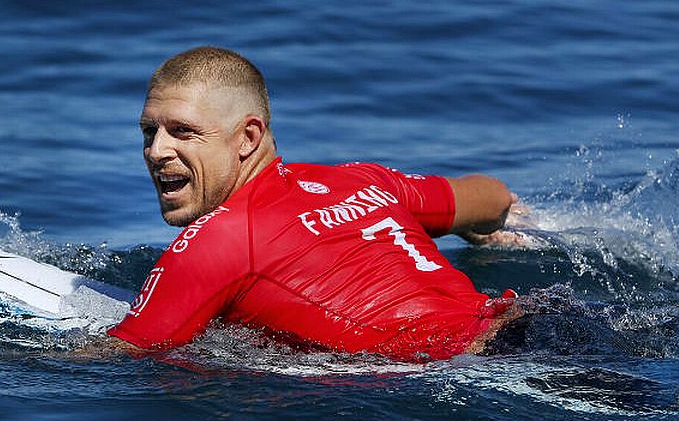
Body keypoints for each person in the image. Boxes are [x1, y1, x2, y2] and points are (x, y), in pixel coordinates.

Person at [105, 46, 525, 361]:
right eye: (148, 132)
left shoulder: (213, 242)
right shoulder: (360, 180)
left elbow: (115, 361)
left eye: (182, 131)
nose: (156, 150)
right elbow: (494, 198)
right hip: (534, 322)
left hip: (477, 365)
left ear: (248, 138)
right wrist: (467, 226)